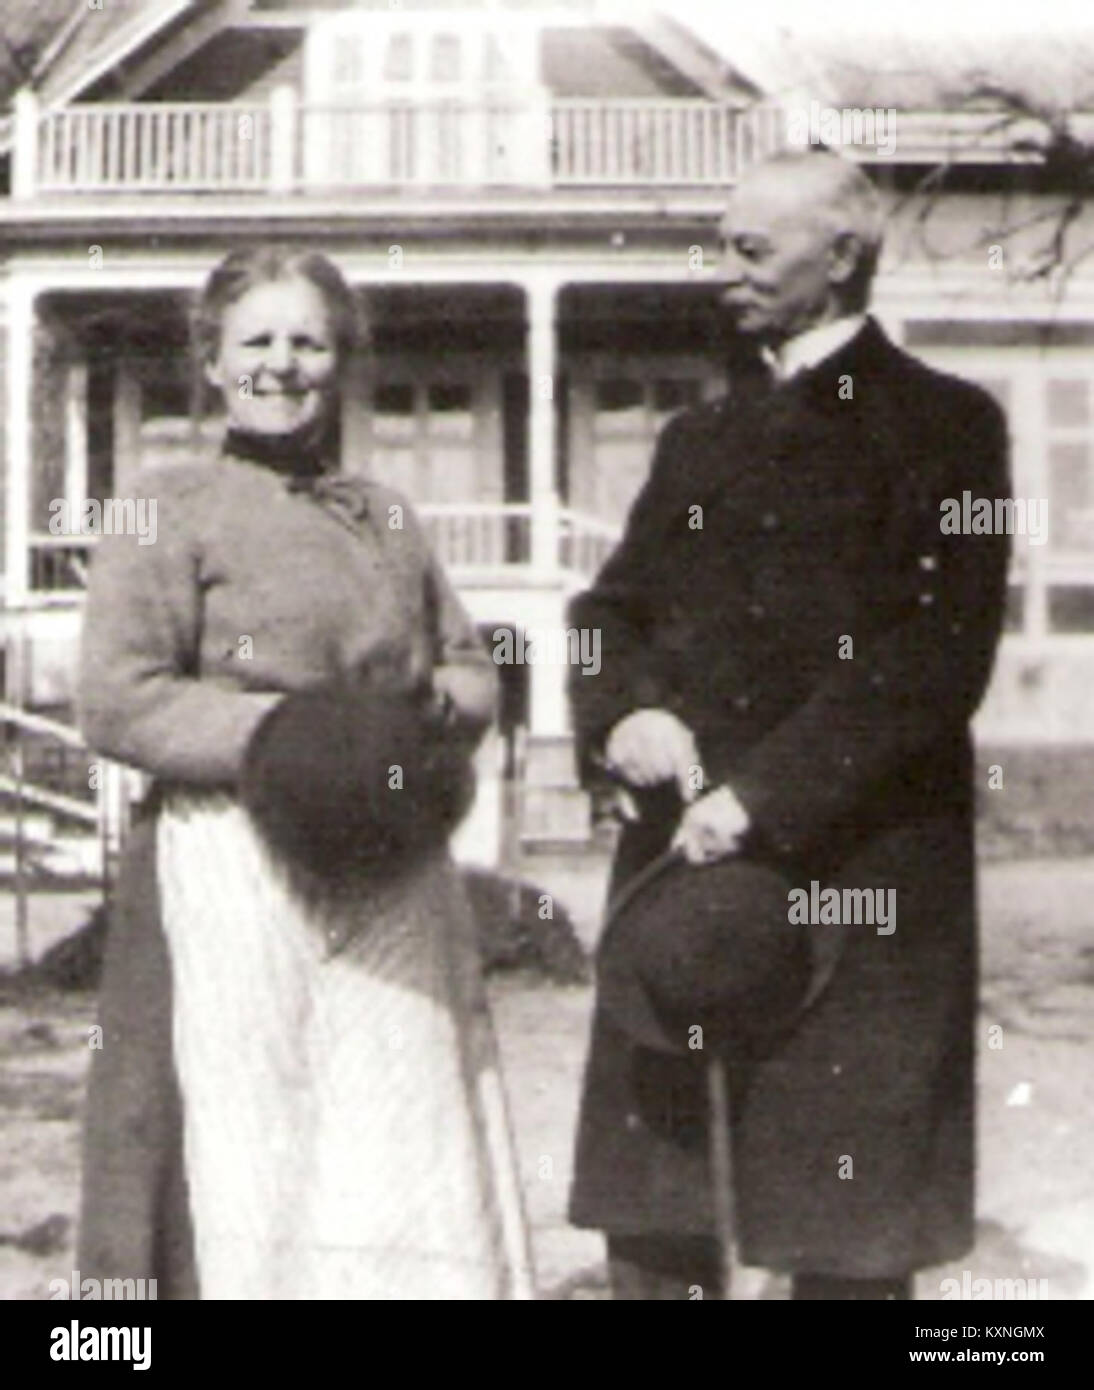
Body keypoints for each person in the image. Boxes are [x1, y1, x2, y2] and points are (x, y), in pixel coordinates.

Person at [566, 149, 1012, 1300]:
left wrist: (758, 797)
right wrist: (623, 713)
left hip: (859, 888)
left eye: (750, 250)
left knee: (842, 1232)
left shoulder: (949, 427)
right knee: (654, 1224)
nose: (723, 273)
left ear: (843, 254)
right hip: (683, 892)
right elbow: (606, 611)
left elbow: (932, 658)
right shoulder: (695, 440)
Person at [77, 245, 524, 1299]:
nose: (283, 365)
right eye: (258, 342)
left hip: (385, 855)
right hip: (230, 855)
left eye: (309, 341)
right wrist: (301, 738)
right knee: (241, 1130)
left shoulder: (384, 515)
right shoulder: (162, 503)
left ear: (343, 361)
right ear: (212, 361)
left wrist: (435, 713)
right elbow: (118, 696)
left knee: (394, 1112)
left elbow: (463, 662)